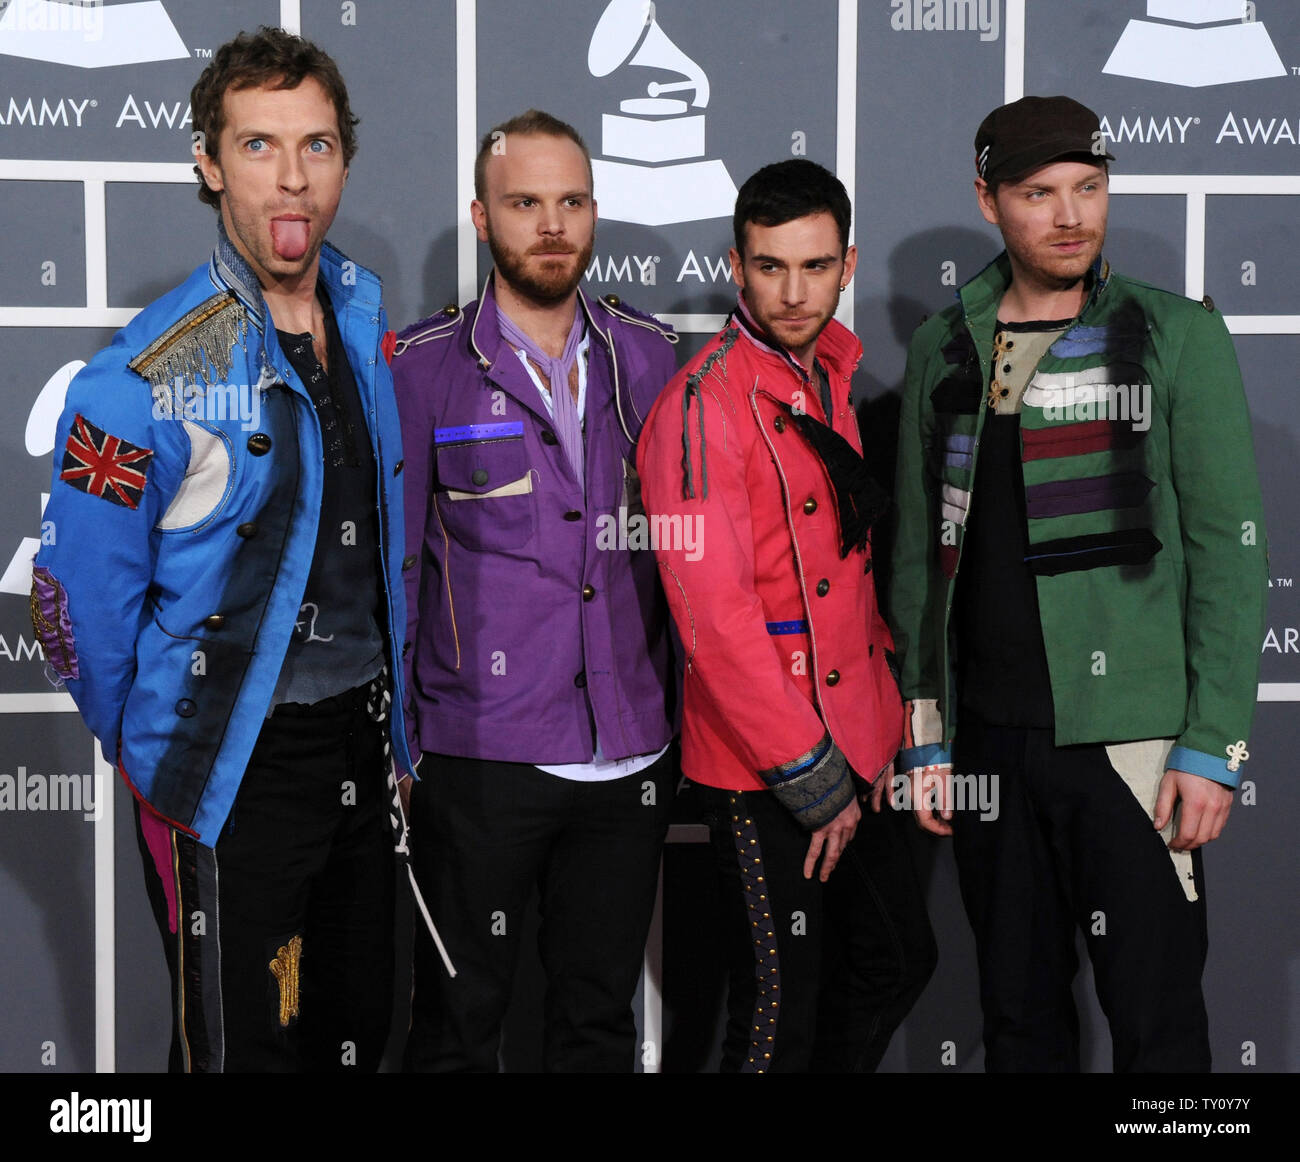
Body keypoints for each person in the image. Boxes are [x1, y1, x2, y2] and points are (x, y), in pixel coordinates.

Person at [29, 27, 413, 1072]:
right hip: (229, 767)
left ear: (344, 156)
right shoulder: (145, 375)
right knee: (242, 1051)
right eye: (257, 145)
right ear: (207, 163)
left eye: (318, 145)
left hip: (361, 745)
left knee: (351, 1032)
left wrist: (398, 736)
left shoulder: (366, 312)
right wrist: (160, 755)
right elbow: (70, 604)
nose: (292, 177)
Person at [887, 95, 1268, 1072]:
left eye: (1088, 189)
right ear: (988, 201)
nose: (1070, 216)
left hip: (1137, 750)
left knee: (1160, 1027)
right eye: (1039, 193)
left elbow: (1231, 554)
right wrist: (926, 738)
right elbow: (919, 569)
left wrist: (1215, 745)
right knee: (1017, 1026)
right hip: (990, 749)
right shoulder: (946, 346)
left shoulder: (1174, 334)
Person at [392, 109, 678, 1072]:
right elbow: (396, 565)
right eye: (525, 204)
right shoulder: (424, 366)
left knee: (598, 1027)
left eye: (571, 202)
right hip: (479, 754)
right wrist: (401, 738)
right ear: (482, 216)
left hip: (629, 751)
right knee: (459, 1027)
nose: (552, 225)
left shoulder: (650, 354)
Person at [636, 159, 936, 1073]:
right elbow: (714, 620)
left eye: (814, 266)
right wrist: (810, 776)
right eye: (771, 267)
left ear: (848, 264)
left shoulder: (836, 377)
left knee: (893, 959)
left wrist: (880, 735)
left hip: (860, 736)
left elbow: (853, 579)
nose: (794, 291)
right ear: (738, 266)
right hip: (760, 763)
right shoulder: (697, 406)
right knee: (776, 1006)